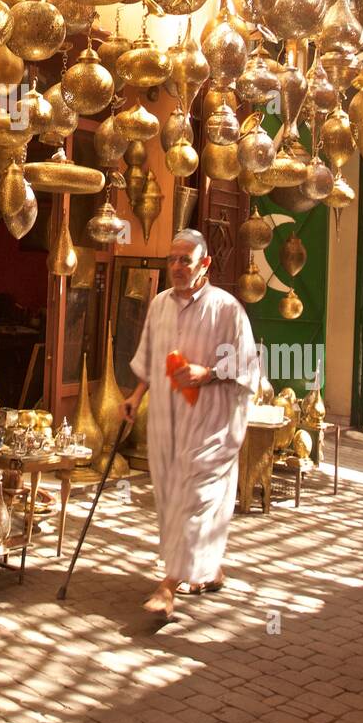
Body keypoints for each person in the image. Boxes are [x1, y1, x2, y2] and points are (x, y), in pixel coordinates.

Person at [124, 229, 259, 618]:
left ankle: (168, 587)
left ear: (205, 264)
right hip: (168, 418)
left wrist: (209, 372)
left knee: (198, 496)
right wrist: (135, 396)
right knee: (171, 499)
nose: (177, 267)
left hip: (213, 420)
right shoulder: (160, 305)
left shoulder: (227, 308)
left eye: (186, 259)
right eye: (172, 259)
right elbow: (151, 357)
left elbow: (247, 363)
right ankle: (208, 569)